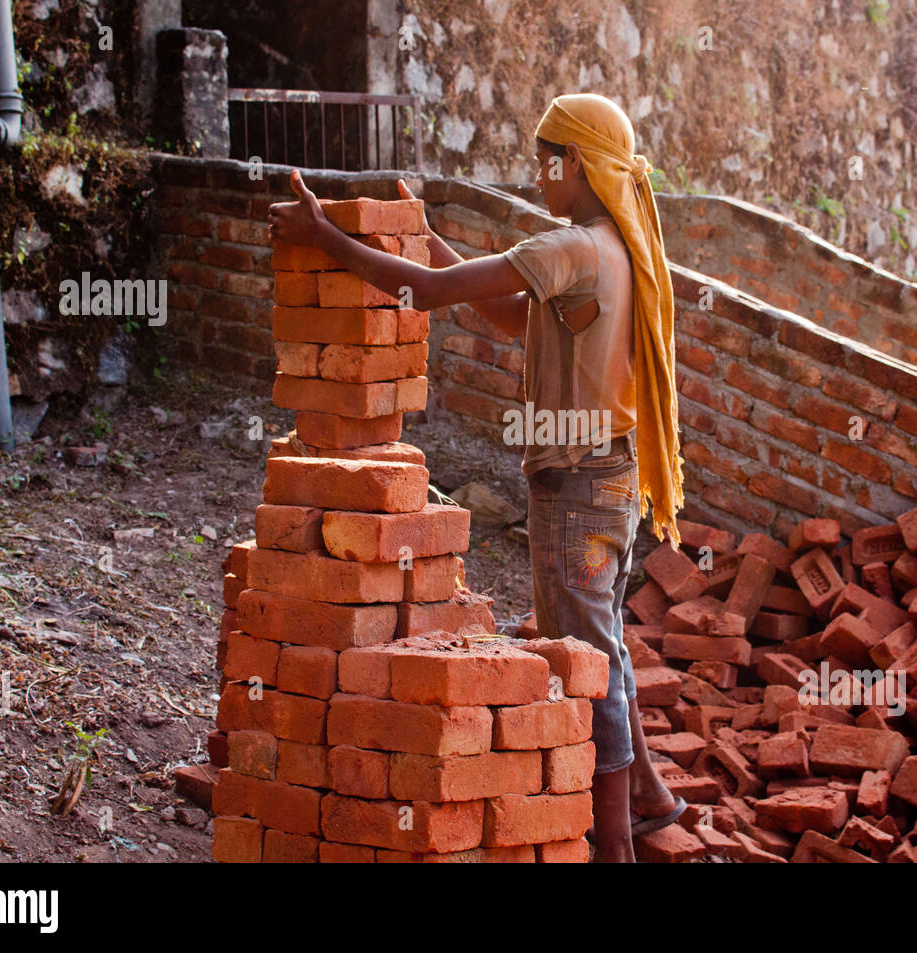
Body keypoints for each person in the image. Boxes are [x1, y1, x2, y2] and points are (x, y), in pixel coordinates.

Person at [268, 93, 687, 862]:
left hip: (576, 487)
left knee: (580, 647)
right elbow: (510, 316)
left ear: (575, 164)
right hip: (612, 480)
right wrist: (430, 241)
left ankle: (617, 841)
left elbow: (427, 295)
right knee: (605, 639)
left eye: (544, 162)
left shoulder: (572, 246)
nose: (537, 177)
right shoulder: (612, 249)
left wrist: (325, 236)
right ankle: (651, 796)